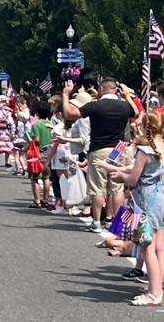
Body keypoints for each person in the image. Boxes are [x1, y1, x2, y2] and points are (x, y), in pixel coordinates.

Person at [63, 78, 139, 233]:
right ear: (115, 89)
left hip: (99, 148)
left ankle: (96, 222)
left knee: (98, 188)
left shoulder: (95, 105)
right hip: (119, 148)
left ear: (102, 88)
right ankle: (116, 223)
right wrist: (127, 96)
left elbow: (70, 114)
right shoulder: (124, 106)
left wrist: (65, 94)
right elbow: (136, 112)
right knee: (116, 188)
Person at [108, 112, 164, 306]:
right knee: (160, 247)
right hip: (160, 197)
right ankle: (157, 285)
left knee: (147, 246)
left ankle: (154, 293)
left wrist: (121, 177)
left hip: (146, 199)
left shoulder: (144, 150)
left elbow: (133, 179)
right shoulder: (162, 145)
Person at [0, 95, 14, 167]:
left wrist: (10, 125)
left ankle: (6, 162)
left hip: (6, 128)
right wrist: (1, 103)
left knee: (7, 145)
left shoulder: (8, 110)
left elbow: (11, 118)